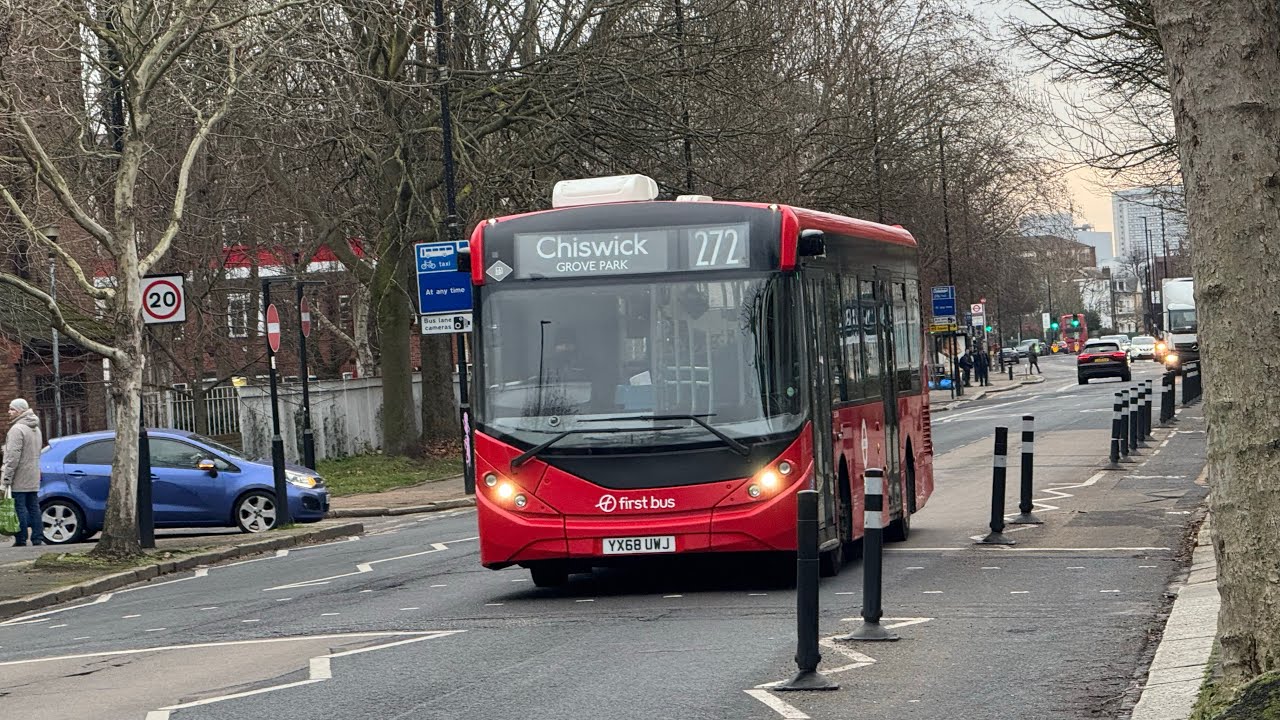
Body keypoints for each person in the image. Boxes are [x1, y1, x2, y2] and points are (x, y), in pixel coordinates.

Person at [2, 398, 43, 546]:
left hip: (19, 475)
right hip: (33, 473)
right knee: (34, 507)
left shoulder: (17, 429)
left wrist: (7, 477)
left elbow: (13, 456)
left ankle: (21, 538)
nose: (9, 412)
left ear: (20, 411)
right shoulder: (36, 428)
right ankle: (37, 537)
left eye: (12, 409)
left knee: (19, 507)